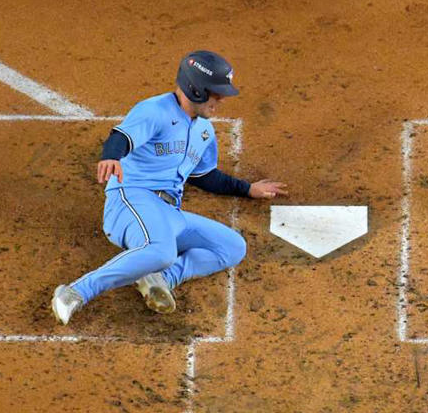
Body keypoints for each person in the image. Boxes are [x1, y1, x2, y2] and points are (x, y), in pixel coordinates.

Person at [51, 51, 287, 325]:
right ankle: (75, 291)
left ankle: (160, 277)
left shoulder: (205, 132)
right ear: (196, 89)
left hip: (167, 213)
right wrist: (111, 156)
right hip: (131, 201)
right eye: (216, 93)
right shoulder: (155, 111)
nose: (221, 99)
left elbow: (203, 176)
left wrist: (247, 189)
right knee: (162, 251)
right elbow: (121, 137)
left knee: (232, 246)